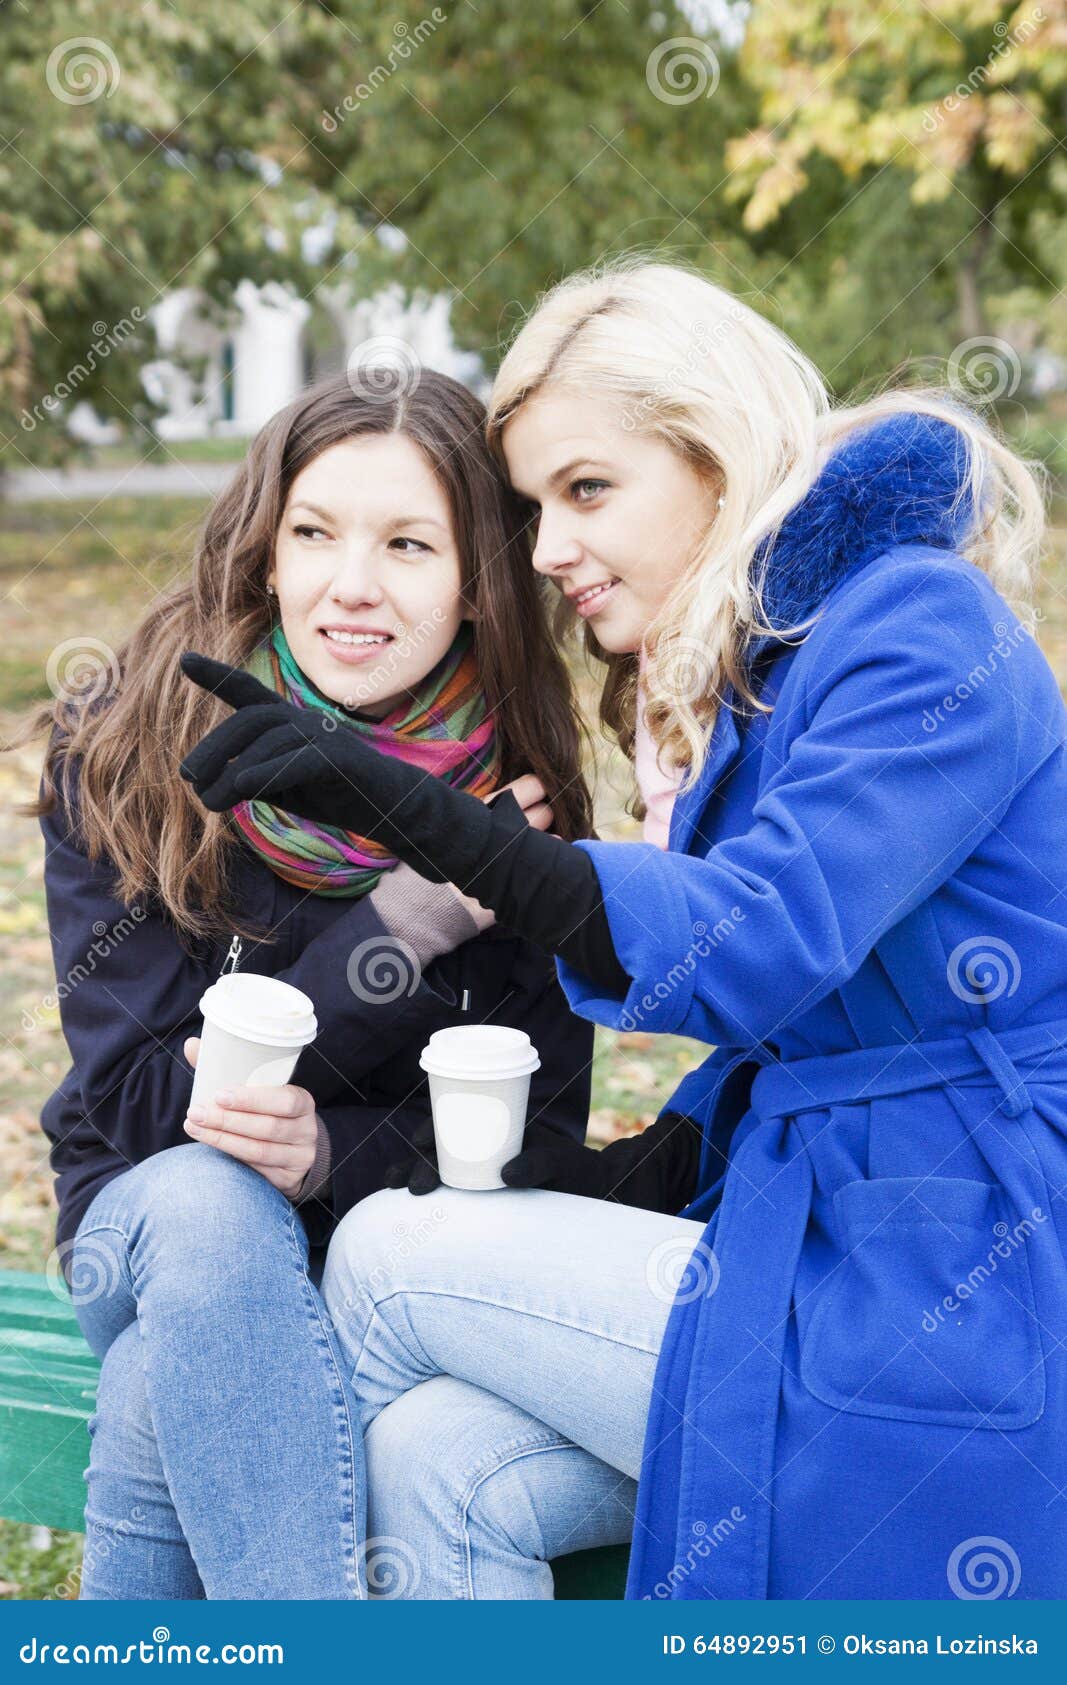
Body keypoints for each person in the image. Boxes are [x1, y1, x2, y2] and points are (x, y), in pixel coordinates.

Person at [180, 260, 1067, 1601]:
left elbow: (757, 938)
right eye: (535, 504)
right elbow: (806, 1040)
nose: (544, 549)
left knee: (386, 1256)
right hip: (827, 1236)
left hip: (957, 1277)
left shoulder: (916, 627)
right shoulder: (780, 660)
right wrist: (617, 1176)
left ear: (714, 455)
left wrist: (413, 811)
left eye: (586, 489)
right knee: (437, 1457)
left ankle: (285, 1644)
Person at [16, 369, 594, 1599]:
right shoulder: (128, 750)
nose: (351, 584)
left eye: (407, 545)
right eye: (315, 533)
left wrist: (327, 1153)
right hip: (147, 1231)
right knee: (206, 1201)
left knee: (151, 1389)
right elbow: (140, 1105)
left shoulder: (512, 804)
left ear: (477, 581)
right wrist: (403, 924)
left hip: (386, 1270)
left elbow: (535, 1136)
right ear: (266, 552)